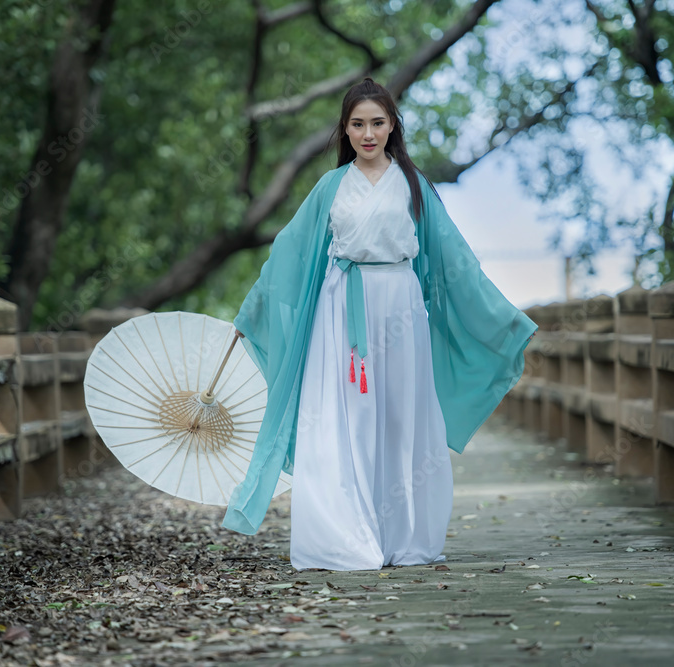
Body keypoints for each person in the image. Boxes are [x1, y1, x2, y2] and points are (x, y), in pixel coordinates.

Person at [222, 78, 537, 572]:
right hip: (339, 310)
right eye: (357, 124)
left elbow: (455, 257)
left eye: (377, 122)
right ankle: (342, 537)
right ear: (344, 130)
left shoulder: (414, 184)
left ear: (392, 126)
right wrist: (250, 313)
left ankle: (399, 536)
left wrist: (502, 317)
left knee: (397, 417)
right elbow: (289, 252)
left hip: (401, 307)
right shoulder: (330, 187)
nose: (368, 133)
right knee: (337, 418)